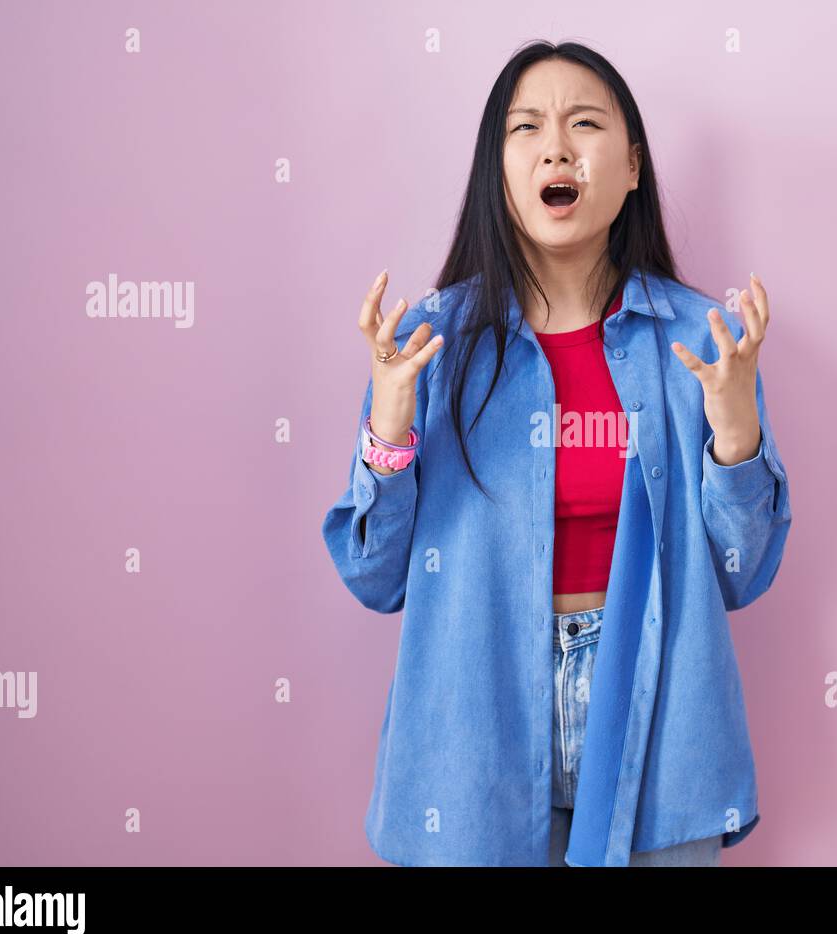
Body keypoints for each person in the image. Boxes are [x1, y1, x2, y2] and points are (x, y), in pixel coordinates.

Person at [322, 40, 792, 866]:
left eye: (585, 124)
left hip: (661, 714)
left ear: (634, 166)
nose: (556, 147)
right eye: (526, 128)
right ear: (497, 171)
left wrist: (734, 434)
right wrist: (389, 430)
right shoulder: (429, 345)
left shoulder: (702, 342)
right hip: (475, 721)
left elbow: (742, 575)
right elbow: (375, 578)